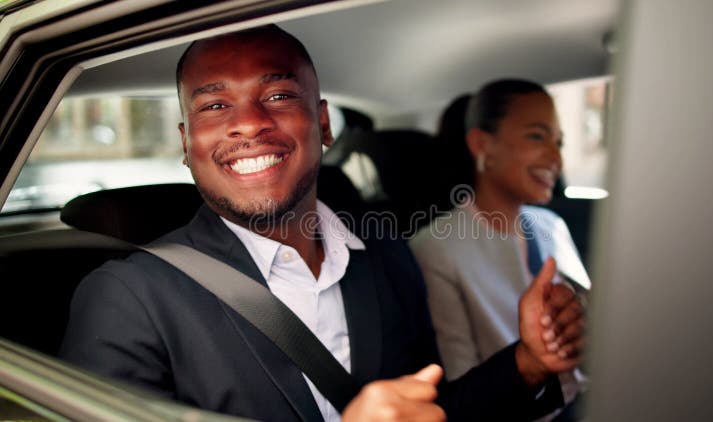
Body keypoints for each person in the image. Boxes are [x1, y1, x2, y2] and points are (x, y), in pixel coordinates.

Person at [59, 26, 585, 422]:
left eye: (280, 96)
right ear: (185, 144)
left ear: (325, 123)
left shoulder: (384, 257)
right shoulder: (127, 298)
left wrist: (529, 361)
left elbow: (429, 408)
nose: (247, 121)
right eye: (215, 104)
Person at [410, 80, 591, 419]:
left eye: (559, 142)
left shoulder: (551, 226)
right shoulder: (436, 248)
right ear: (482, 145)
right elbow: (463, 391)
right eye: (537, 136)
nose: (556, 157)